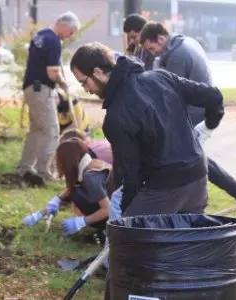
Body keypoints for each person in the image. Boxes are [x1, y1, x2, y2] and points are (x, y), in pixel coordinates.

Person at [70, 42, 224, 217]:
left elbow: (131, 175)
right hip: (197, 175)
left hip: (164, 187)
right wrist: (207, 128)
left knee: (130, 240)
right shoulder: (161, 77)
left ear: (98, 72)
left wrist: (125, 215)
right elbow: (214, 97)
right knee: (185, 238)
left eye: (84, 82)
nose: (86, 90)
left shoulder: (116, 117)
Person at [139, 21, 236, 202]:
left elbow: (170, 96)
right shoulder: (184, 42)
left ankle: (235, 192)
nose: (152, 52)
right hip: (201, 109)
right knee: (194, 159)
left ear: (161, 38)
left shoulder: (176, 57)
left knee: (193, 160)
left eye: (151, 47)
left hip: (195, 113)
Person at [17, 12, 81, 183]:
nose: (71, 35)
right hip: (41, 88)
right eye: (72, 31)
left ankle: (25, 168)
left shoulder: (40, 35)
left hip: (31, 87)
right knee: (51, 129)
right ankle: (44, 171)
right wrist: (62, 83)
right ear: (64, 25)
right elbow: (52, 73)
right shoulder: (53, 41)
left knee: (36, 130)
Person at [22, 138, 114, 237]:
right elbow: (72, 187)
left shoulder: (91, 176)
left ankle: (104, 230)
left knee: (77, 193)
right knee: (76, 190)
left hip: (118, 217)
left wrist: (82, 221)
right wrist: (50, 206)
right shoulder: (91, 164)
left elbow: (108, 209)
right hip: (121, 213)